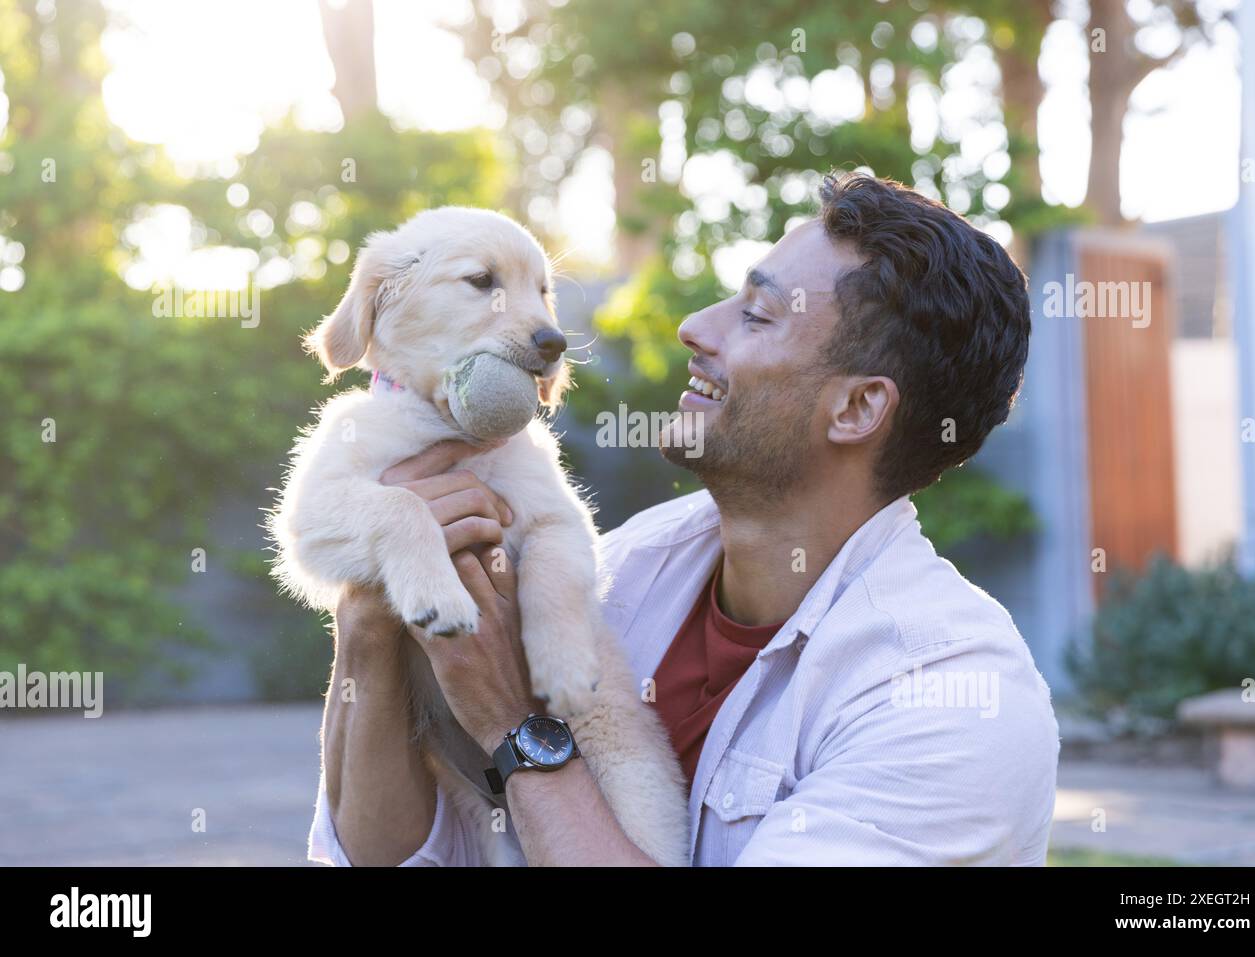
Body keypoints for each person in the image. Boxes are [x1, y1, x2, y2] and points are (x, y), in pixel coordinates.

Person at [308, 171, 1060, 867]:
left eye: (757, 315)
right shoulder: (618, 569)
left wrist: (515, 728)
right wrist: (370, 622)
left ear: (858, 407)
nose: (695, 326)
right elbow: (384, 857)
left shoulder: (950, 702)